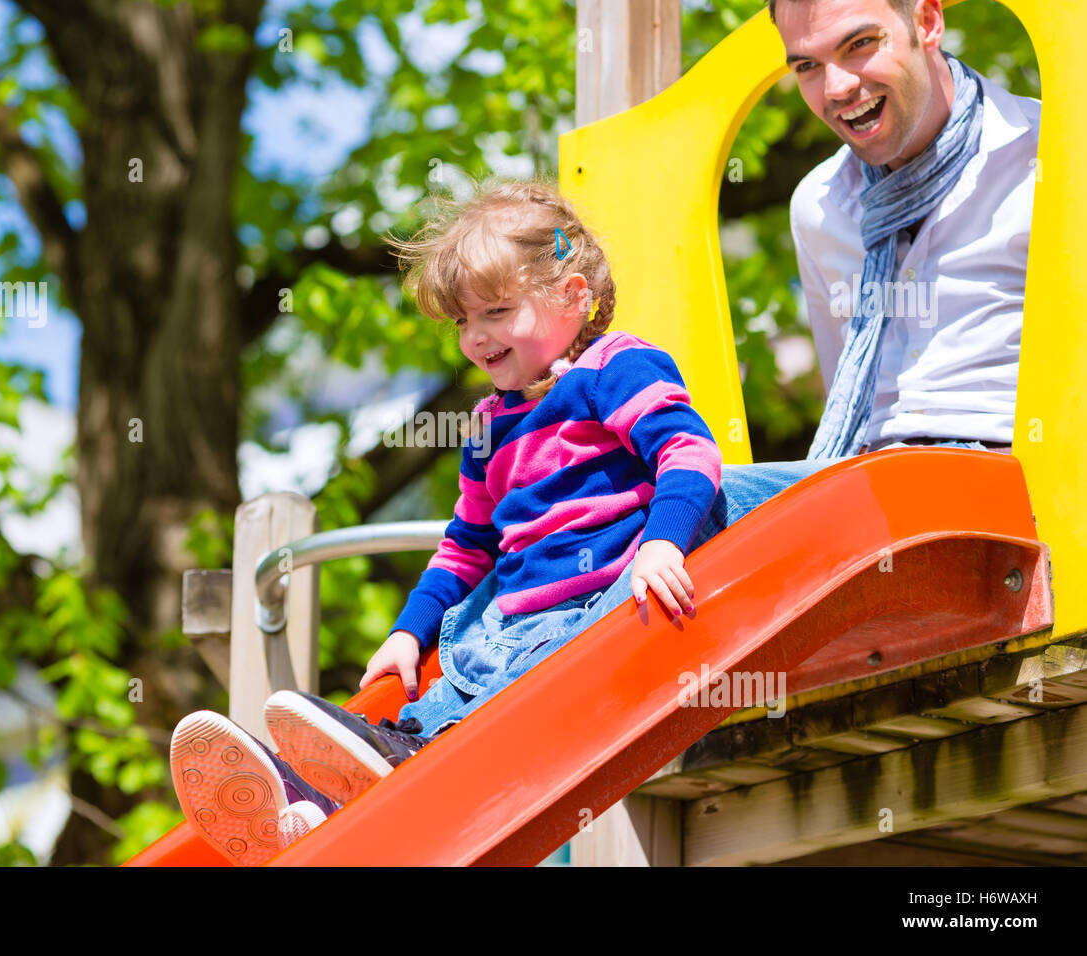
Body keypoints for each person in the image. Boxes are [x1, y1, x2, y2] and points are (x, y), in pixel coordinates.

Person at [168, 179, 723, 863]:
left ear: (574, 297)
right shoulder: (489, 424)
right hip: (509, 625)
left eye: (496, 310)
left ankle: (377, 771)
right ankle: (301, 801)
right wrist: (408, 631)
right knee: (434, 694)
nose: (477, 336)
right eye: (462, 320)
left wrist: (663, 543)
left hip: (598, 615)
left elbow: (688, 449)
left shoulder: (616, 367)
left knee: (460, 721)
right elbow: (465, 544)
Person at [687, 0, 1039, 547]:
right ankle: (528, 632)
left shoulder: (1045, 152)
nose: (836, 88)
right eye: (807, 65)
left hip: (1010, 472)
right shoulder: (819, 207)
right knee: (669, 504)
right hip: (872, 482)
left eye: (859, 45)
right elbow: (846, 396)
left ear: (926, 22)